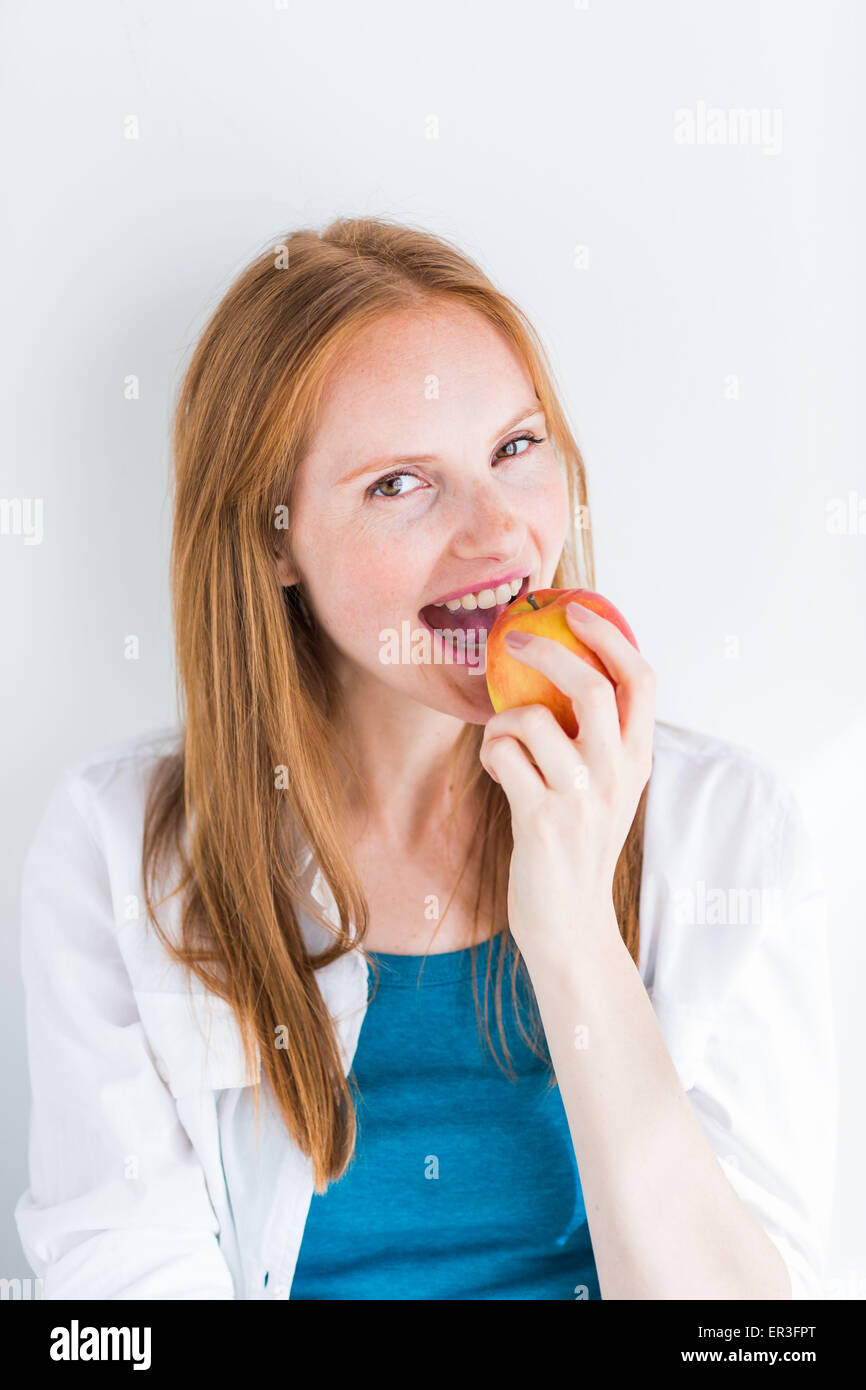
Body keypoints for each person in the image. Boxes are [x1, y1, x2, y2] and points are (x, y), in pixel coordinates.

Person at [15, 216, 837, 1300]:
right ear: (272, 539)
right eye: (400, 484)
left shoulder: (727, 829)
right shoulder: (116, 850)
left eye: (513, 448)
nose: (497, 535)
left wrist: (574, 929)